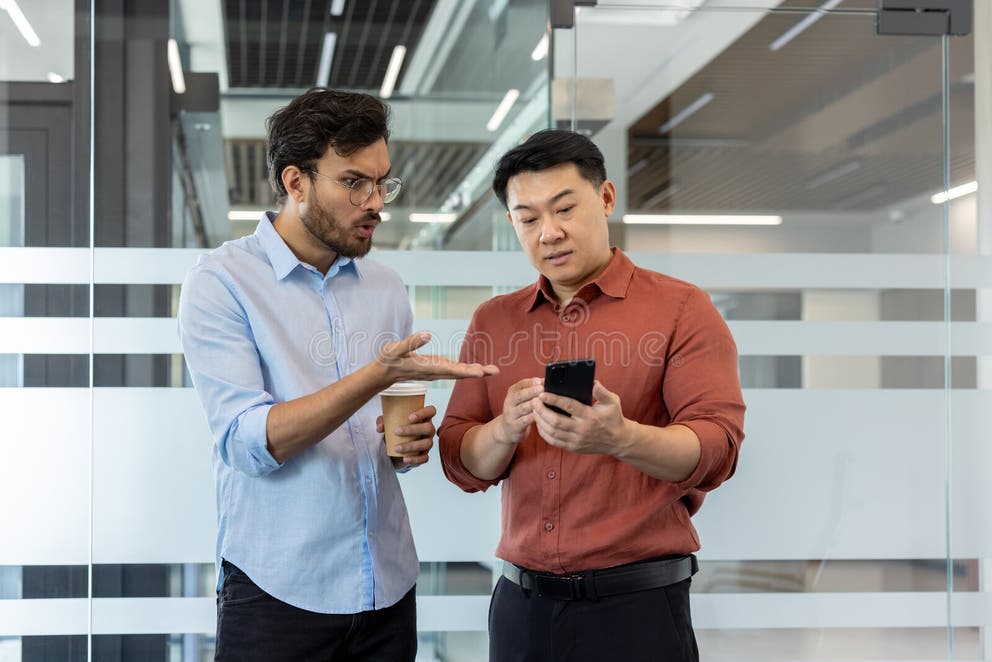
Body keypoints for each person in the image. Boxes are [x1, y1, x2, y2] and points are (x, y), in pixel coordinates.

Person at [178, 88, 496, 661]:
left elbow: (387, 434)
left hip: (387, 584)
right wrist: (375, 376)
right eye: (355, 182)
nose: (377, 202)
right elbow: (247, 442)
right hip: (278, 593)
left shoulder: (385, 287)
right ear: (295, 182)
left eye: (383, 182)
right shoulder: (222, 283)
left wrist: (408, 444)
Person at [438, 129, 746, 662]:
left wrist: (621, 438)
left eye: (564, 209)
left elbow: (717, 447)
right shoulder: (495, 319)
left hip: (636, 611)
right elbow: (461, 459)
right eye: (527, 218)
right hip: (521, 608)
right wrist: (503, 430)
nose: (549, 233)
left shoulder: (681, 308)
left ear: (605, 199)